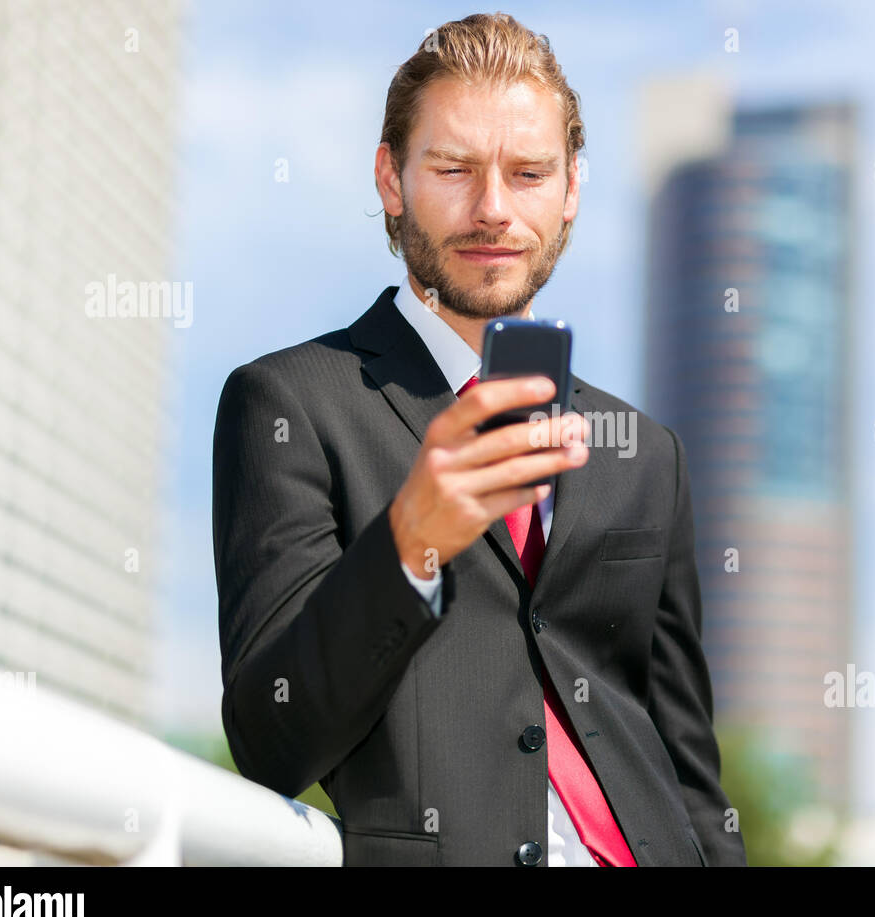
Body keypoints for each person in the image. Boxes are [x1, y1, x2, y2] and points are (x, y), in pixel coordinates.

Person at [212, 11, 746, 866]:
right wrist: (411, 542)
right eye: (454, 168)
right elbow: (271, 737)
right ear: (392, 180)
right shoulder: (287, 404)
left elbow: (688, 763)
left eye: (529, 172)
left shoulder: (645, 453)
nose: (493, 209)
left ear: (571, 188)